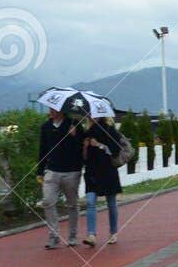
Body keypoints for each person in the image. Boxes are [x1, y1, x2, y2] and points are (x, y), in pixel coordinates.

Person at [37, 103, 86, 248]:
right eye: (50, 108)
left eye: (54, 108)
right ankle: (54, 236)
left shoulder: (75, 124)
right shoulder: (46, 127)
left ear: (62, 110)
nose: (51, 110)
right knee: (47, 201)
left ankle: (72, 236)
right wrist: (39, 171)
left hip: (72, 171)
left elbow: (82, 147)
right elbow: (43, 149)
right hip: (52, 171)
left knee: (72, 205)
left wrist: (75, 136)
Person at [83, 116, 125, 246]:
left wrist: (99, 145)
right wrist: (85, 147)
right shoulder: (87, 132)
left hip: (108, 171)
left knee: (111, 202)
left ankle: (113, 233)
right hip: (91, 172)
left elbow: (116, 150)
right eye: (90, 114)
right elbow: (84, 158)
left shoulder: (110, 130)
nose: (92, 116)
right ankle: (91, 235)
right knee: (90, 201)